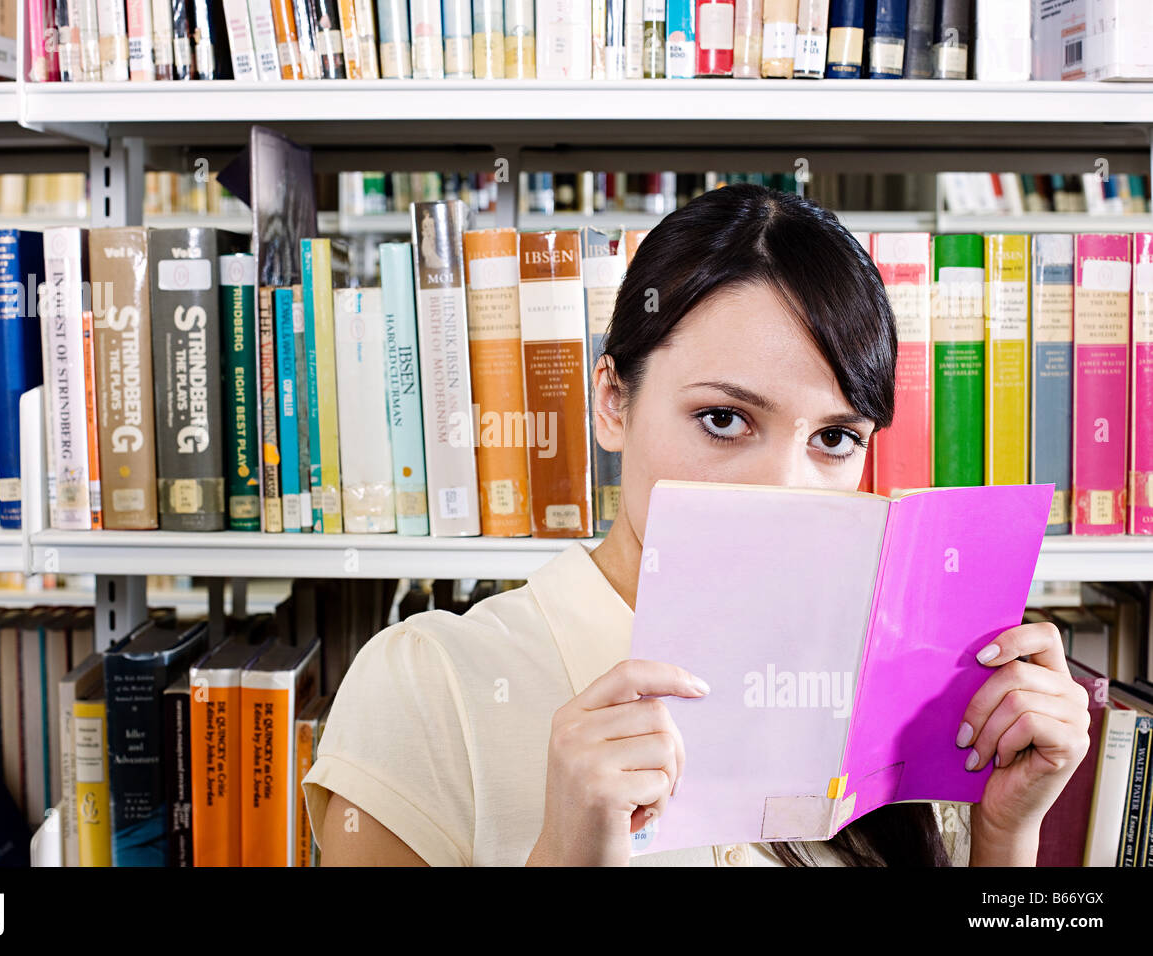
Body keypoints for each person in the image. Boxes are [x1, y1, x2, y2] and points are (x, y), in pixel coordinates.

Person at [301, 182, 1091, 866]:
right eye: (723, 419)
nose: (784, 490)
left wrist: (1005, 835)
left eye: (834, 439)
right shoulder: (431, 683)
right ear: (612, 402)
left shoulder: (890, 697)